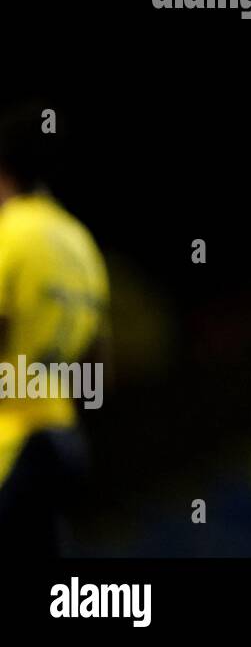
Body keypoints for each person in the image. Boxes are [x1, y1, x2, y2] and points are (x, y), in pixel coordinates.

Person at [0, 102, 110, 555]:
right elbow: (99, 368)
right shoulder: (80, 242)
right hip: (64, 439)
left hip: (12, 446)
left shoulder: (11, 234)